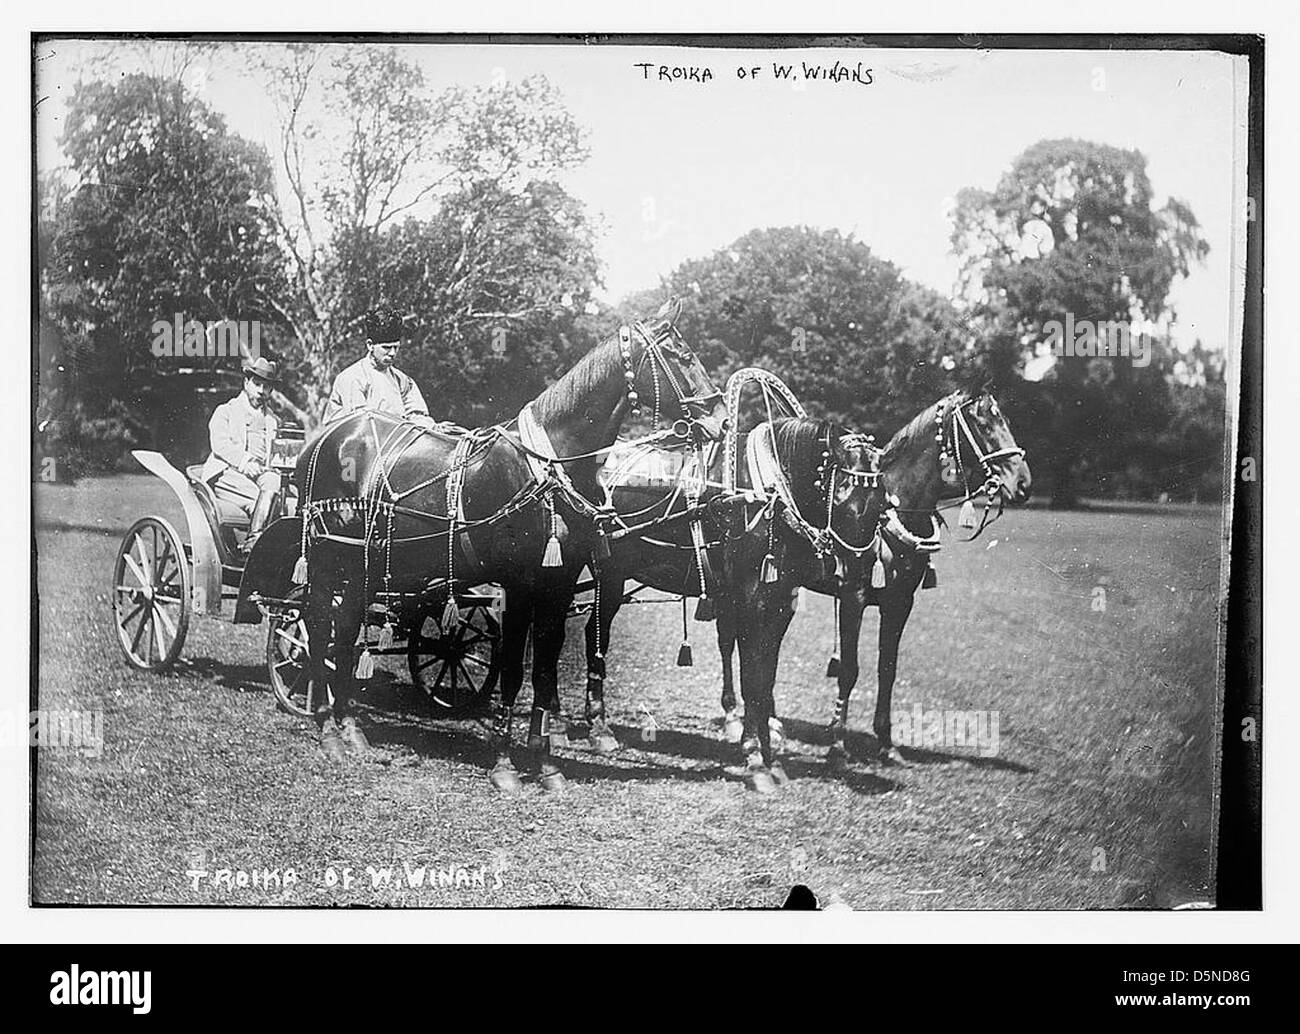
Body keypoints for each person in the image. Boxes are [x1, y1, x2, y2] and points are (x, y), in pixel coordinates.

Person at [199, 356, 283, 551]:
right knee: (260, 499)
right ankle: (254, 543)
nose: (261, 391)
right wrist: (245, 462)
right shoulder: (226, 411)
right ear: (246, 383)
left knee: (276, 485)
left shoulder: (273, 420)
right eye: (257, 384)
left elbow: (274, 455)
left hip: (260, 475)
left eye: (267, 387)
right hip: (227, 473)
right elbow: (220, 444)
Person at [324, 307, 430, 422]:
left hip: (393, 437)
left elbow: (416, 414)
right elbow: (360, 424)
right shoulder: (352, 378)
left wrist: (433, 427)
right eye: (386, 348)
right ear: (370, 345)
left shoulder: (402, 380)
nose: (392, 353)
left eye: (396, 347)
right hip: (354, 437)